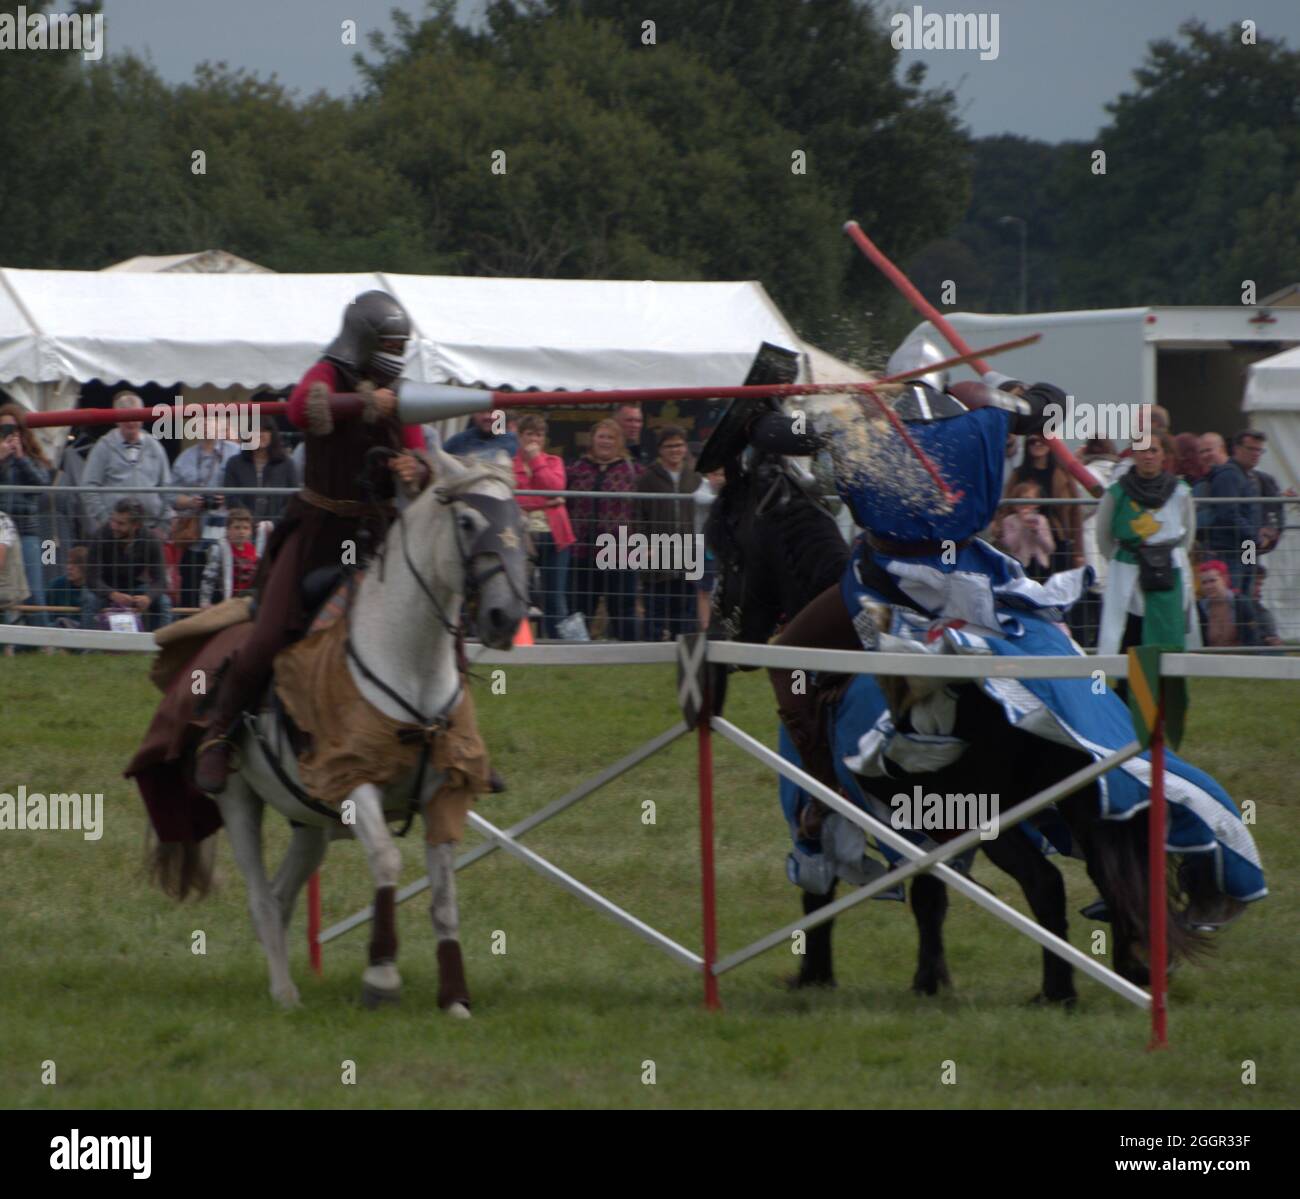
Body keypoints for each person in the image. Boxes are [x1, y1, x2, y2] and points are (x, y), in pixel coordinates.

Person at [194, 290, 433, 794]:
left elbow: (418, 450)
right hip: (319, 532)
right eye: (389, 341)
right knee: (270, 632)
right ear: (366, 341)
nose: (396, 350)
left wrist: (419, 467)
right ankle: (220, 734)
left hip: (380, 535)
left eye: (401, 342)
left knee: (434, 622)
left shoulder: (402, 392)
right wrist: (369, 403)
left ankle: (453, 742)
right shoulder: (328, 373)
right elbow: (303, 408)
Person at [1096, 440, 1199, 656]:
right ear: (1133, 455)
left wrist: (1171, 556)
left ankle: (1165, 688)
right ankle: (1127, 686)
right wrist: (1119, 559)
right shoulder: (1117, 492)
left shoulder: (1179, 491)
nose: (1148, 456)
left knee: (1167, 630)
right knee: (1129, 628)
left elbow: (1187, 533)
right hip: (1128, 569)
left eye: (1154, 450)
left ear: (1163, 455)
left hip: (1169, 570)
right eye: (1142, 450)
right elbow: (1103, 535)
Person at [567, 418, 640, 641]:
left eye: (611, 437)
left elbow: (643, 511)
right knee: (579, 607)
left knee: (622, 607)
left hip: (619, 552)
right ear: (593, 440)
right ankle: (575, 654)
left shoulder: (633, 471)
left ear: (619, 442)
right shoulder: (576, 469)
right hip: (582, 551)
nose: (606, 442)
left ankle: (628, 654)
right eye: (601, 436)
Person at [636, 425, 702, 641]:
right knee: (656, 606)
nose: (675, 450)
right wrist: (643, 545)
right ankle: (651, 653)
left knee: (684, 607)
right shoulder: (647, 479)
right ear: (660, 450)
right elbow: (637, 516)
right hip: (657, 550)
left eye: (679, 445)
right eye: (669, 446)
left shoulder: (695, 478)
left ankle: (681, 649)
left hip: (688, 550)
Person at [512, 414, 575, 638]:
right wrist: (546, 502)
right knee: (519, 592)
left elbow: (554, 487)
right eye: (529, 433)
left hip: (555, 535)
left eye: (539, 434)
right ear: (519, 436)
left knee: (554, 595)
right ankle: (520, 643)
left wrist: (536, 460)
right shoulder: (510, 465)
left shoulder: (554, 462)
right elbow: (514, 499)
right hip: (522, 536)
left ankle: (559, 646)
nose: (534, 439)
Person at [82, 392, 173, 535]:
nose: (131, 422)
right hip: (114, 531)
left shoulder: (155, 446)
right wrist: (107, 521)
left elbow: (167, 488)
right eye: (126, 418)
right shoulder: (104, 446)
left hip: (150, 529)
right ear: (117, 419)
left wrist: (163, 526)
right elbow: (89, 487)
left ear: (142, 418)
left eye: (135, 417)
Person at [0, 402, 54, 631]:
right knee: (4, 588)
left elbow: (42, 485)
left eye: (13, 429)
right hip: (1, 530)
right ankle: (9, 642)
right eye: (3, 429)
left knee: (33, 589)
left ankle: (43, 641)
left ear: (22, 431)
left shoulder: (32, 456)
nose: (9, 434)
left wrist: (21, 458)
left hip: (27, 528)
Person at [81, 498, 173, 632]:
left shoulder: (150, 540)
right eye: (113, 520)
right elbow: (92, 578)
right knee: (89, 599)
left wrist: (148, 597)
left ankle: (159, 647)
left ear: (136, 525)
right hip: (103, 588)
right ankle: (86, 649)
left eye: (120, 523)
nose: (114, 526)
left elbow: (160, 580)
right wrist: (112, 594)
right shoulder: (100, 535)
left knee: (164, 602)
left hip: (133, 588)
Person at [1007, 430, 1084, 573]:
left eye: (1042, 440)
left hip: (1058, 538)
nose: (1037, 444)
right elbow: (1005, 507)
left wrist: (1078, 551)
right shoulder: (1018, 474)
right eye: (1032, 441)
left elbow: (1076, 512)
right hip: (1025, 542)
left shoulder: (1063, 473)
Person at [221, 417, 298, 524]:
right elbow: (230, 497)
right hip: (243, 528)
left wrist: (273, 523)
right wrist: (249, 521)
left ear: (273, 435)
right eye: (256, 431)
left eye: (265, 431)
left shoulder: (287, 464)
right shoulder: (234, 463)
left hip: (278, 529)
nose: (261, 435)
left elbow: (293, 499)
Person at [994, 481, 1054, 582]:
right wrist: (1022, 526)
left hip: (1040, 566)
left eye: (1028, 499)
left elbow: (1049, 547)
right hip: (1020, 565)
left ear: (1037, 503)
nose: (1024, 503)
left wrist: (1037, 532)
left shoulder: (1041, 520)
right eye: (1020, 499)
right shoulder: (1009, 521)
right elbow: (1011, 546)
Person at [199, 507, 259, 608]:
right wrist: (204, 601)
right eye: (237, 527)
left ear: (251, 531)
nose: (241, 532)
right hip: (227, 600)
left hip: (248, 600)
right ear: (227, 530)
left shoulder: (253, 549)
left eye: (246, 528)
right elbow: (209, 577)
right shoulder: (219, 549)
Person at [1196, 559, 1261, 648]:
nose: (1208, 586)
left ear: (1224, 579)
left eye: (1212, 581)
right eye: (1204, 583)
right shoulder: (1199, 609)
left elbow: (1252, 639)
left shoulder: (1241, 604)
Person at [444, 411, 519, 460]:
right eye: (481, 411)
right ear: (473, 413)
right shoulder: (456, 443)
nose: (487, 416)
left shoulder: (515, 442)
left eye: (492, 411)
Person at [47, 545, 89, 628]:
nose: (69, 567)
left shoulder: (93, 588)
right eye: (69, 563)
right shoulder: (56, 585)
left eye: (75, 564)